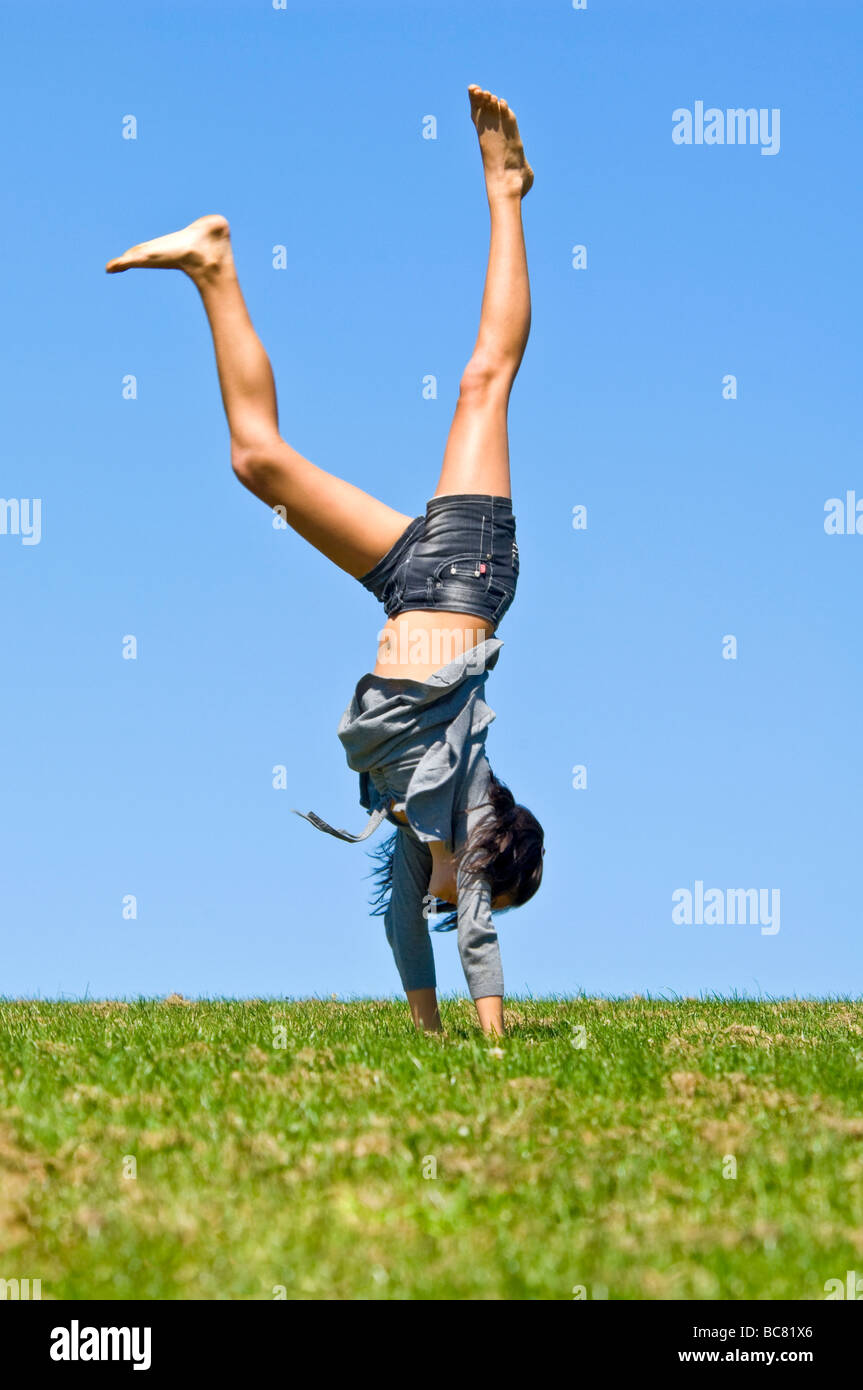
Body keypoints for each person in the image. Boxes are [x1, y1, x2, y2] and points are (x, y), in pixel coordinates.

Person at [107, 85, 544, 1036]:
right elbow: (474, 939)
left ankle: (211, 265)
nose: (455, 901)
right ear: (487, 859)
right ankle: (505, 192)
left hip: (401, 580)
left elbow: (401, 924)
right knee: (483, 379)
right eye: (479, 891)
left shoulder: (402, 831)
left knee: (255, 461)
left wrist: (426, 1038)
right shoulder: (465, 808)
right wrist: (494, 1043)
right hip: (466, 574)